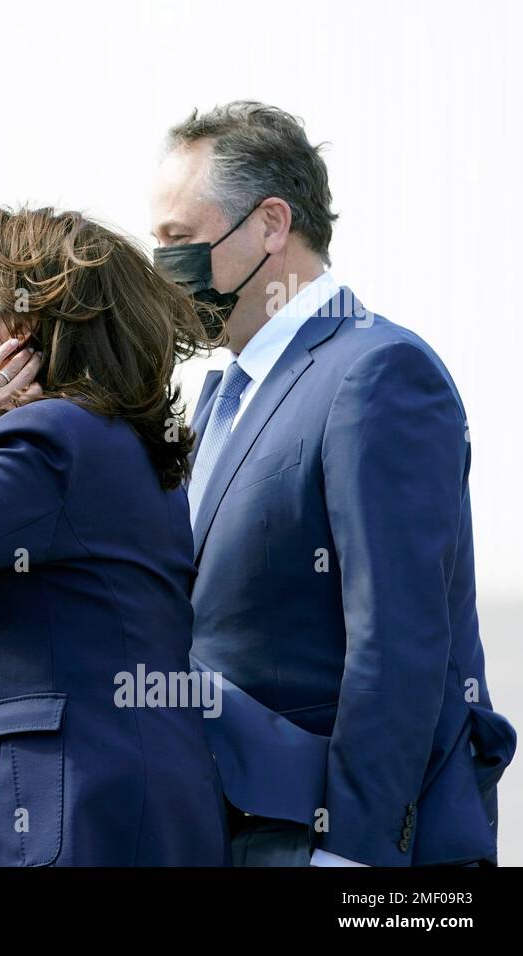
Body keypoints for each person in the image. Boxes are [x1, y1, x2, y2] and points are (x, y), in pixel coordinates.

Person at [150, 101, 515, 866]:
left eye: (178, 239)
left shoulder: (376, 371)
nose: (165, 264)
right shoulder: (226, 391)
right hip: (230, 825)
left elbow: (399, 641)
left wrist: (351, 852)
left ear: (272, 224)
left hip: (320, 840)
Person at [0, 205, 229, 866]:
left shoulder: (46, 436)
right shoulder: (119, 439)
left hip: (58, 803)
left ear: (21, 330)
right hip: (125, 789)